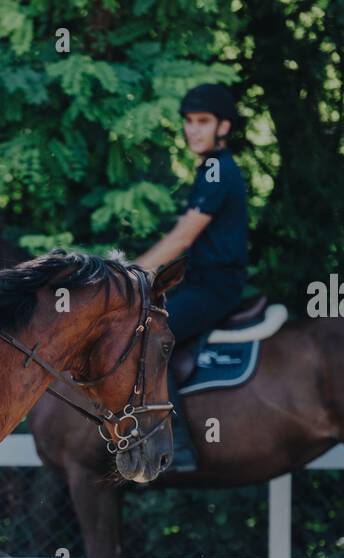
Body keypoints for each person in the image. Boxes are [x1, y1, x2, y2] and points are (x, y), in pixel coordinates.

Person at [134, 83, 248, 471]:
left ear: (223, 127)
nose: (193, 130)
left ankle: (179, 446)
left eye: (203, 122)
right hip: (202, 283)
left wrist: (132, 274)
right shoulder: (210, 169)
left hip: (215, 288)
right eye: (188, 122)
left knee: (149, 338)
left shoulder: (218, 170)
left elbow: (184, 236)